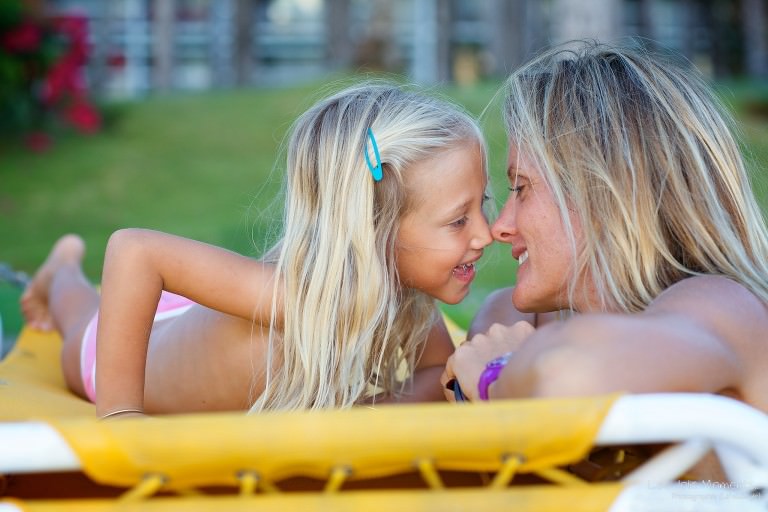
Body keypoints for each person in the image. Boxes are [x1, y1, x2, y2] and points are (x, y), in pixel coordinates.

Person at [21, 82, 493, 418]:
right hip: (126, 352)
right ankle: (62, 268)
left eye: (482, 207)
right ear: (376, 227)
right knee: (80, 312)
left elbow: (438, 371)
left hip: (196, 321)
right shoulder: (289, 297)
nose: (486, 234)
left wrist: (368, 414)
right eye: (459, 220)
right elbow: (133, 251)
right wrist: (123, 418)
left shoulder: (408, 298)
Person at [442, 42, 768, 414]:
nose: (500, 226)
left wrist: (494, 377)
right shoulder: (526, 320)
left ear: (603, 195)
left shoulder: (724, 305)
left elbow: (566, 375)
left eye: (521, 188)